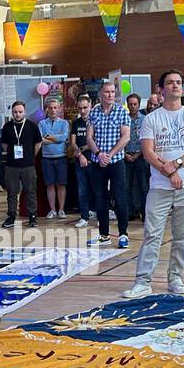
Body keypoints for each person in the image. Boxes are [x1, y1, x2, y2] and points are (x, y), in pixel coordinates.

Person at [123, 70, 184, 298]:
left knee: (182, 236)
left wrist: (176, 165)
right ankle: (143, 281)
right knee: (152, 235)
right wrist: (168, 172)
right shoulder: (151, 119)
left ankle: (175, 278)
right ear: (161, 89)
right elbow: (148, 152)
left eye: (178, 83)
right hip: (159, 187)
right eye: (170, 83)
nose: (175, 86)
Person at [85, 81, 131, 248]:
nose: (111, 95)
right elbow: (89, 137)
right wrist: (99, 154)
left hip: (116, 161)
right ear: (100, 94)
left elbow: (125, 137)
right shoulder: (94, 112)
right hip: (98, 161)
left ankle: (123, 234)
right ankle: (103, 235)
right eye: (107, 92)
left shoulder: (121, 112)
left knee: (120, 198)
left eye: (113, 92)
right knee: (100, 198)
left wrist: (110, 155)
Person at [0, 100, 41, 228]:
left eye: (20, 112)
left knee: (30, 191)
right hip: (11, 165)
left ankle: (32, 216)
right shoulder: (7, 127)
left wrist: (30, 156)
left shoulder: (32, 126)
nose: (17, 114)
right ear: (12, 113)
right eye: (15, 112)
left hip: (27, 165)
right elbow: (4, 145)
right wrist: (13, 154)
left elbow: (38, 143)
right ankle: (11, 216)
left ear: (25, 112)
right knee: (12, 192)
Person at [38, 98, 70, 219]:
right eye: (50, 108)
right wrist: (55, 138)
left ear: (59, 109)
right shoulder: (42, 123)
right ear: (47, 109)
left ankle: (61, 210)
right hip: (47, 158)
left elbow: (64, 138)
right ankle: (52, 210)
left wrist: (48, 137)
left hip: (61, 157)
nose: (53, 110)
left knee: (61, 184)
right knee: (50, 185)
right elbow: (41, 140)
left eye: (55, 107)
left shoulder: (64, 123)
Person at [123, 92, 149, 222]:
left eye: (135, 104)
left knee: (143, 186)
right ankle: (130, 212)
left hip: (141, 156)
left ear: (139, 105)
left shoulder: (145, 119)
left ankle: (145, 212)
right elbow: (119, 138)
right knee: (127, 186)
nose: (132, 106)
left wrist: (139, 154)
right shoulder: (123, 119)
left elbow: (147, 140)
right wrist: (125, 154)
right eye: (130, 104)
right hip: (126, 156)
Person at [70, 93, 95, 228]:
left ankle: (100, 213)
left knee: (97, 188)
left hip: (94, 160)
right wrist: (80, 154)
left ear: (90, 106)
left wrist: (83, 149)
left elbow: (95, 141)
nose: (83, 111)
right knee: (82, 189)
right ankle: (84, 216)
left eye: (85, 107)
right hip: (80, 160)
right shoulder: (76, 123)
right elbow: (72, 142)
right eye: (80, 108)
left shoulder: (95, 121)